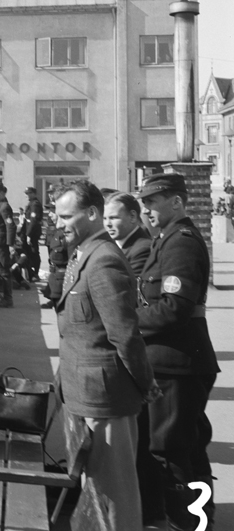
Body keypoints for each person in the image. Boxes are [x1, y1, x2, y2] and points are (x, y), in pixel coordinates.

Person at [53, 180, 158, 531]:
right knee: (94, 491)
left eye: (67, 216)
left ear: (92, 213)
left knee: (115, 495)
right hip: (85, 395)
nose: (59, 223)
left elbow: (125, 336)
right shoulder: (84, 253)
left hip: (106, 400)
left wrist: (145, 385)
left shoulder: (104, 261)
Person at [136, 173, 220, 530]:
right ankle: (200, 521)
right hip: (175, 362)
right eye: (145, 204)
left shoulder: (180, 242)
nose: (148, 211)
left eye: (153, 203)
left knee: (171, 453)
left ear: (177, 202)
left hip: (178, 363)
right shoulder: (166, 238)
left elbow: (173, 308)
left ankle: (187, 523)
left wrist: (125, 323)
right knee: (187, 448)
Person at [103, 191, 151, 276]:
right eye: (104, 218)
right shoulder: (110, 245)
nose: (107, 224)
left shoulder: (142, 249)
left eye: (113, 218)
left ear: (132, 216)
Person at [21, 186, 44, 281]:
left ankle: (35, 274)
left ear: (34, 194)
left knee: (34, 252)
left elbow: (33, 221)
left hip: (32, 232)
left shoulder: (35, 204)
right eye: (26, 194)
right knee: (28, 252)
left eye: (29, 193)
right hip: (28, 231)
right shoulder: (30, 204)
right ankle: (30, 273)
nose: (27, 195)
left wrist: (29, 235)